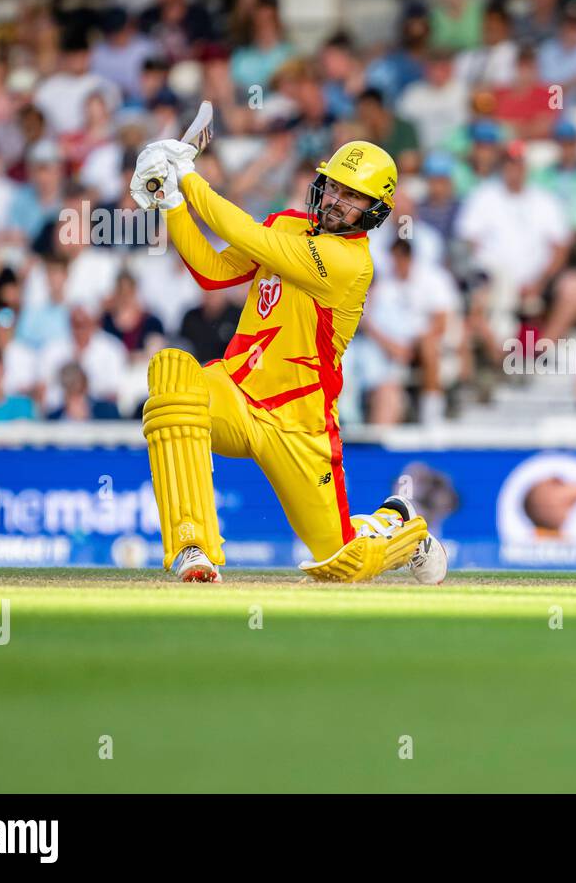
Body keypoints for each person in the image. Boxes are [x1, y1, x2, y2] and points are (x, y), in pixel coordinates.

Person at [129, 137, 445, 585]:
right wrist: (173, 202)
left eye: (354, 196)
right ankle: (192, 548)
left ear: (374, 210)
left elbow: (242, 232)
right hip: (236, 393)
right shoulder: (286, 224)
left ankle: (399, 526)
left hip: (300, 424)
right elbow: (213, 272)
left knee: (342, 564)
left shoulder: (349, 263)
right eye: (335, 187)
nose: (337, 201)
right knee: (172, 373)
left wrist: (188, 175)